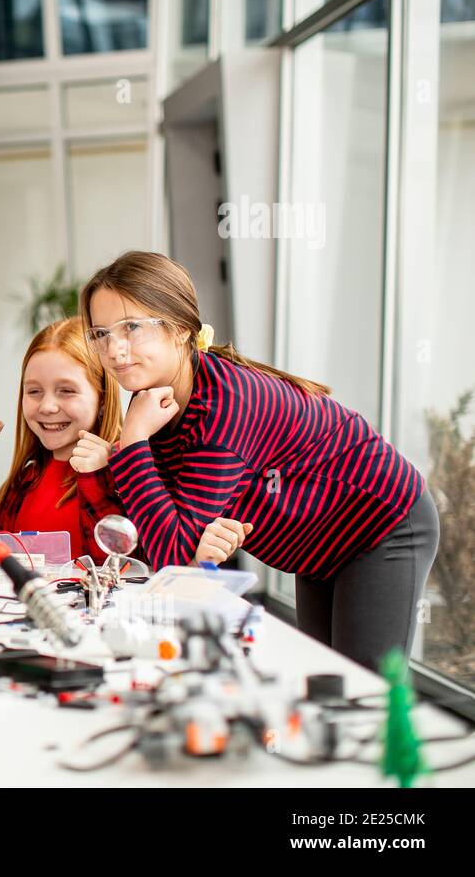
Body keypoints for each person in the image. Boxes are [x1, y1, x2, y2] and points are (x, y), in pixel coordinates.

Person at [82, 250, 438, 670]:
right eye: (102, 333)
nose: (114, 349)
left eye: (131, 328)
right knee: (325, 686)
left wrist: (132, 443)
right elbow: (174, 540)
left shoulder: (221, 408)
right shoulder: (160, 401)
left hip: (382, 525)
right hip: (319, 544)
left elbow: (174, 557)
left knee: (366, 693)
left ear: (178, 329)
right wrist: (126, 450)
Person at [0, 317, 126, 573]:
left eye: (66, 390)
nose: (47, 406)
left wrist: (95, 479)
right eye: (34, 391)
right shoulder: (23, 484)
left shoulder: (126, 473)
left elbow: (123, 571)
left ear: (103, 399)